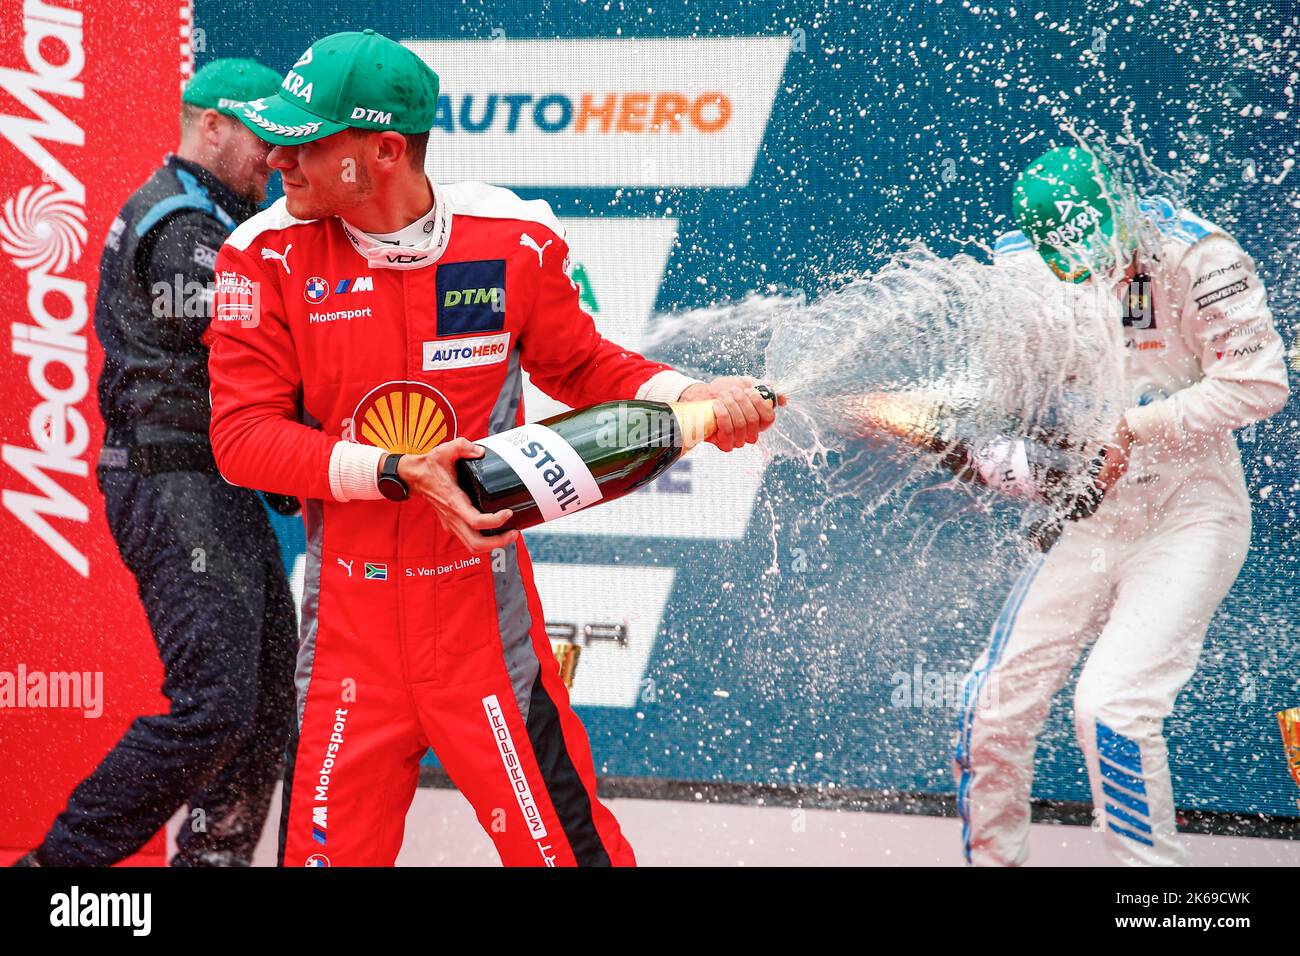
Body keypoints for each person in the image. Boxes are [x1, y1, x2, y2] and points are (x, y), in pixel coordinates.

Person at [205, 29, 777, 867]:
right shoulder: (260, 255)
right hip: (346, 651)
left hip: (483, 635)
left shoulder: (513, 239)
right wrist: (398, 473)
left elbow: (583, 363)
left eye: (304, 141)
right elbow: (241, 439)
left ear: (384, 151)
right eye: (275, 138)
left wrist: (686, 395)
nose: (275, 157)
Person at [954, 145, 1290, 866]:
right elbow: (992, 413)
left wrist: (1132, 431)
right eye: (1072, 264)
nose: (1097, 276)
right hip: (1089, 520)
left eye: (1106, 257)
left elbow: (1262, 385)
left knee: (1111, 712)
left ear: (1123, 211)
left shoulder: (1200, 255)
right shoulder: (1015, 272)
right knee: (994, 709)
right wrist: (1006, 460)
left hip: (1191, 515)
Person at [16, 59, 297, 867]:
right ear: (211, 125)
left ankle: (212, 860)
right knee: (216, 702)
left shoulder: (211, 212)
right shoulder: (182, 226)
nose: (274, 160)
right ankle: (59, 870)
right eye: (263, 139)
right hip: (171, 481)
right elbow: (256, 356)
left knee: (264, 696)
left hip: (207, 480)